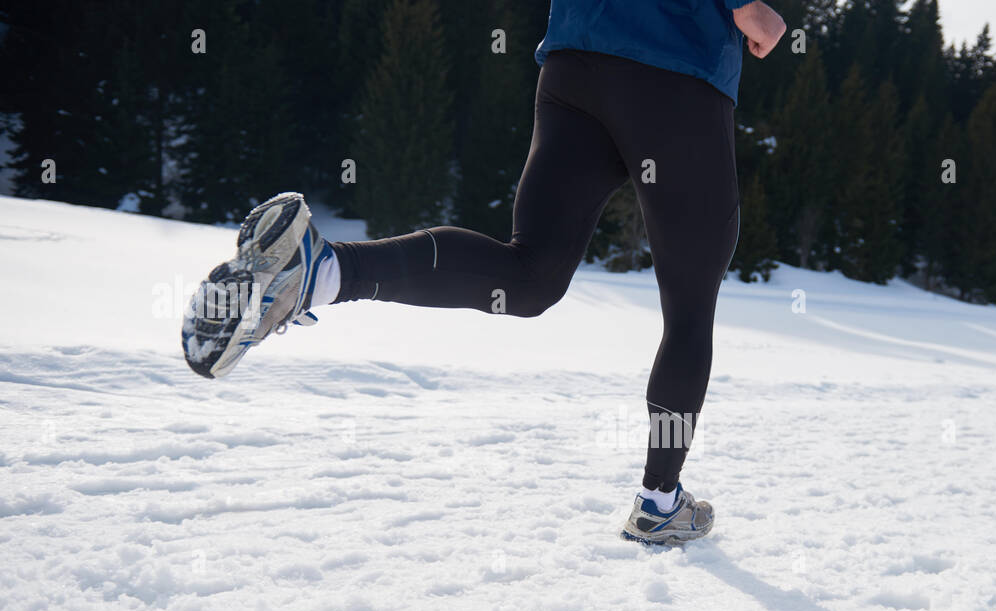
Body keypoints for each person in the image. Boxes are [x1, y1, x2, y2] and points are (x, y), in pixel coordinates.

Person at [181, 0, 787, 545]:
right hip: (674, 70)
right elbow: (754, 23)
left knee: (528, 276)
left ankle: (321, 272)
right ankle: (660, 503)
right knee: (689, 308)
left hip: (576, 63)